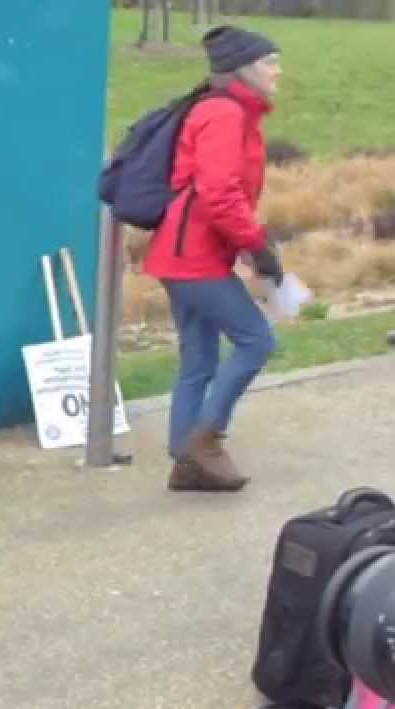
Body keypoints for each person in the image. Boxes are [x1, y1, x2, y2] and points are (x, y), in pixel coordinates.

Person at [142, 25, 286, 493]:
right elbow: (220, 194)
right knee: (256, 340)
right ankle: (205, 442)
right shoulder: (224, 114)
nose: (278, 70)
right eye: (270, 62)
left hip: (183, 253)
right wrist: (258, 246)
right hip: (194, 258)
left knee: (198, 360)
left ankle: (187, 464)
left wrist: (248, 247)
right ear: (245, 69)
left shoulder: (228, 111)